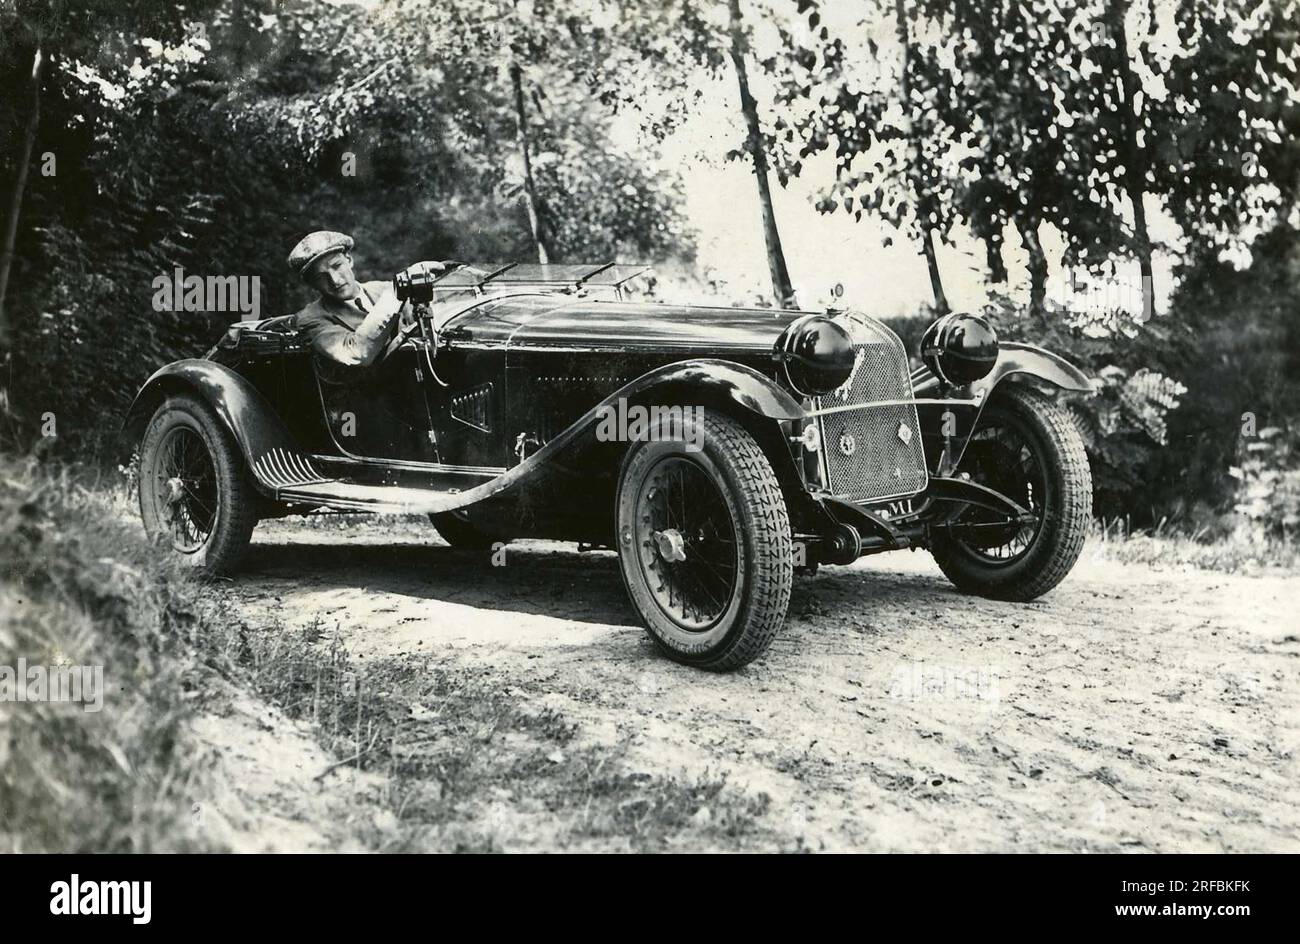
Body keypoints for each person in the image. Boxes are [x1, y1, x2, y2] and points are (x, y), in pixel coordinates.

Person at [286, 230, 451, 370]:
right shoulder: (310, 319)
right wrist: (398, 289)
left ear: (349, 261)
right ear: (312, 284)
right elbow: (356, 353)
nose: (335, 280)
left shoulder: (382, 290)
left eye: (337, 266)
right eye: (321, 277)